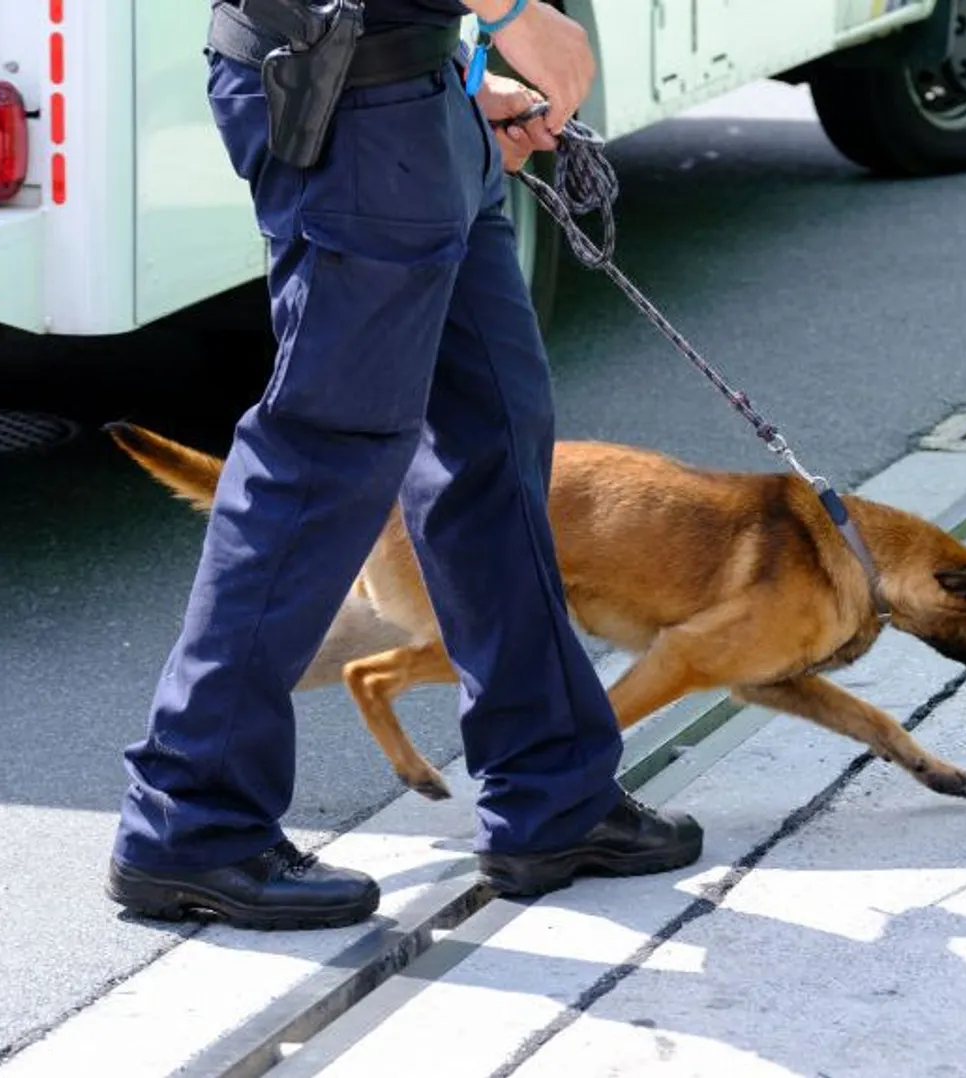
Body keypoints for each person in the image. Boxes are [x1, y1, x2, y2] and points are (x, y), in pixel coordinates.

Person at [103, 0, 702, 930]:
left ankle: (552, 797)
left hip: (411, 95)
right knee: (320, 460)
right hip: (353, 104)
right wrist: (509, 12)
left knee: (493, 440)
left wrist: (458, 68)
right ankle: (191, 820)